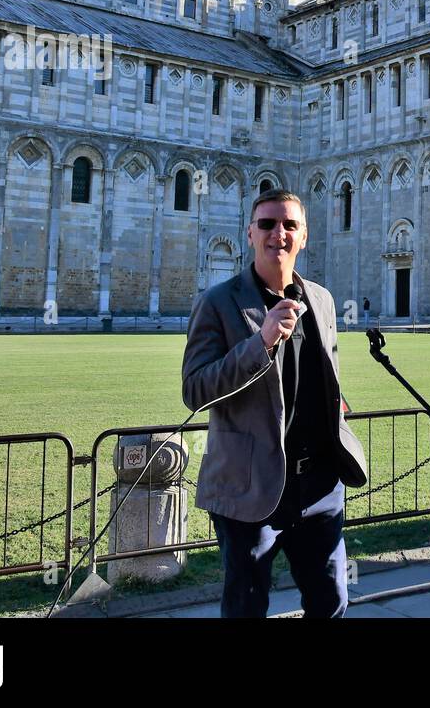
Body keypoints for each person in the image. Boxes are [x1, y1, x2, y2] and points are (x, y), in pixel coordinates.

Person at [181, 189, 368, 618]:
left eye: (289, 225)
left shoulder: (320, 300)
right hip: (251, 490)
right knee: (247, 608)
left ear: (304, 237)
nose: (277, 234)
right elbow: (194, 388)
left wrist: (337, 408)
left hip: (319, 488)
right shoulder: (218, 302)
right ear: (250, 234)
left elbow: (326, 373)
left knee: (331, 602)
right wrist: (260, 342)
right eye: (266, 224)